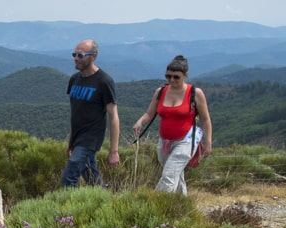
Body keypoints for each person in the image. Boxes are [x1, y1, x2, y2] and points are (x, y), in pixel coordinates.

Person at [132, 55, 213, 194]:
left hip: (186, 141)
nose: (171, 80)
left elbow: (206, 120)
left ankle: (154, 204)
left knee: (169, 175)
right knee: (175, 174)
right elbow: (149, 113)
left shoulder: (195, 93)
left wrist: (208, 142)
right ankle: (181, 204)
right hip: (164, 141)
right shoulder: (161, 92)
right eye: (168, 76)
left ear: (185, 75)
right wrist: (140, 121)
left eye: (176, 77)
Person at [63, 39, 120, 187]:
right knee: (92, 178)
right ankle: (106, 201)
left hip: (90, 139)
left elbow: (113, 116)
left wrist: (114, 150)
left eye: (80, 55)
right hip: (78, 138)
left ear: (93, 56)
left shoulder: (104, 81)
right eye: (74, 54)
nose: (76, 58)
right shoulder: (74, 79)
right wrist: (71, 140)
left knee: (68, 179)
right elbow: (75, 113)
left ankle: (68, 211)